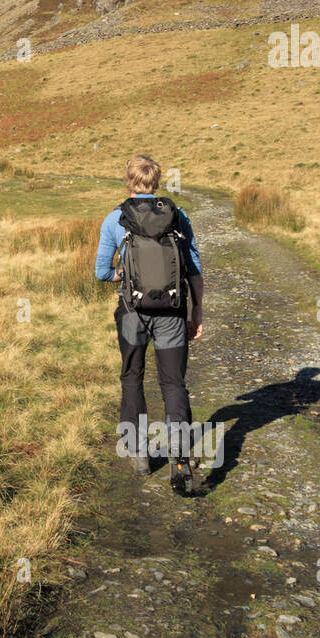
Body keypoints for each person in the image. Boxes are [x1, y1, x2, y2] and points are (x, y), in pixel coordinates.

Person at [95, 155, 204, 493]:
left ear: (129, 181)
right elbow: (193, 267)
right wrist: (196, 312)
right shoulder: (177, 215)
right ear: (157, 182)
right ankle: (181, 455)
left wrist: (123, 275)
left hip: (132, 312)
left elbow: (100, 271)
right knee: (173, 383)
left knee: (132, 378)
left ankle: (140, 455)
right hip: (172, 312)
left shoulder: (116, 218)